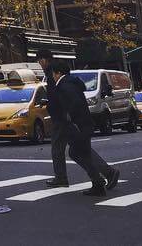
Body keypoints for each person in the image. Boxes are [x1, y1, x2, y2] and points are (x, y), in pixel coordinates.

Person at [51, 61, 119, 196]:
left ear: (58, 73)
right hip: (83, 123)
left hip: (77, 125)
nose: (53, 76)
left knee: (78, 152)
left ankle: (107, 175)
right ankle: (98, 183)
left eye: (53, 73)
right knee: (82, 152)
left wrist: (69, 116)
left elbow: (73, 102)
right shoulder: (72, 82)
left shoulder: (65, 85)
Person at [37, 48, 69, 188]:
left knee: (57, 148)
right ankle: (106, 172)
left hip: (60, 116)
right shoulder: (53, 70)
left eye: (39, 59)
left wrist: (50, 104)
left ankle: (61, 177)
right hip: (63, 115)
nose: (39, 62)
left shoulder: (52, 72)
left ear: (45, 59)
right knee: (79, 149)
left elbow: (56, 94)